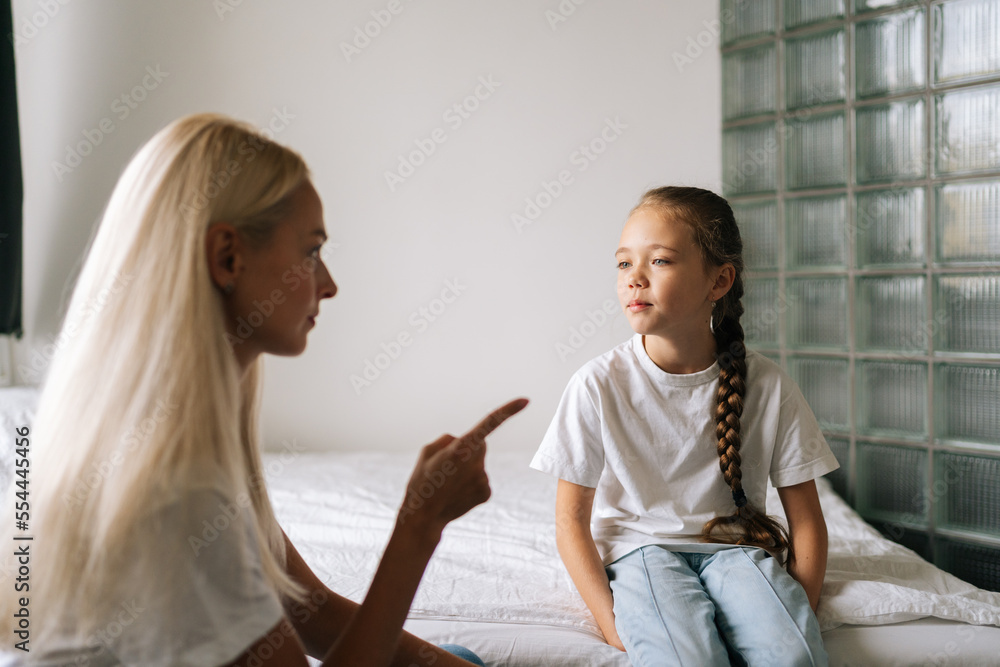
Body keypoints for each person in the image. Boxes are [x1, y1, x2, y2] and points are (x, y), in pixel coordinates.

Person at [0, 114, 527, 666]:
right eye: (311, 252)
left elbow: (312, 612)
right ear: (228, 257)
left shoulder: (162, 444)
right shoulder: (178, 495)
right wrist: (419, 525)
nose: (329, 284)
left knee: (456, 658)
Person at [529, 186, 838, 666]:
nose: (635, 278)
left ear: (719, 281)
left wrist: (799, 615)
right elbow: (570, 522)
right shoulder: (596, 384)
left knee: (794, 657)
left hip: (737, 551)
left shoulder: (769, 385)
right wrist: (611, 624)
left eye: (660, 261)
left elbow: (807, 521)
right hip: (640, 553)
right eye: (624, 263)